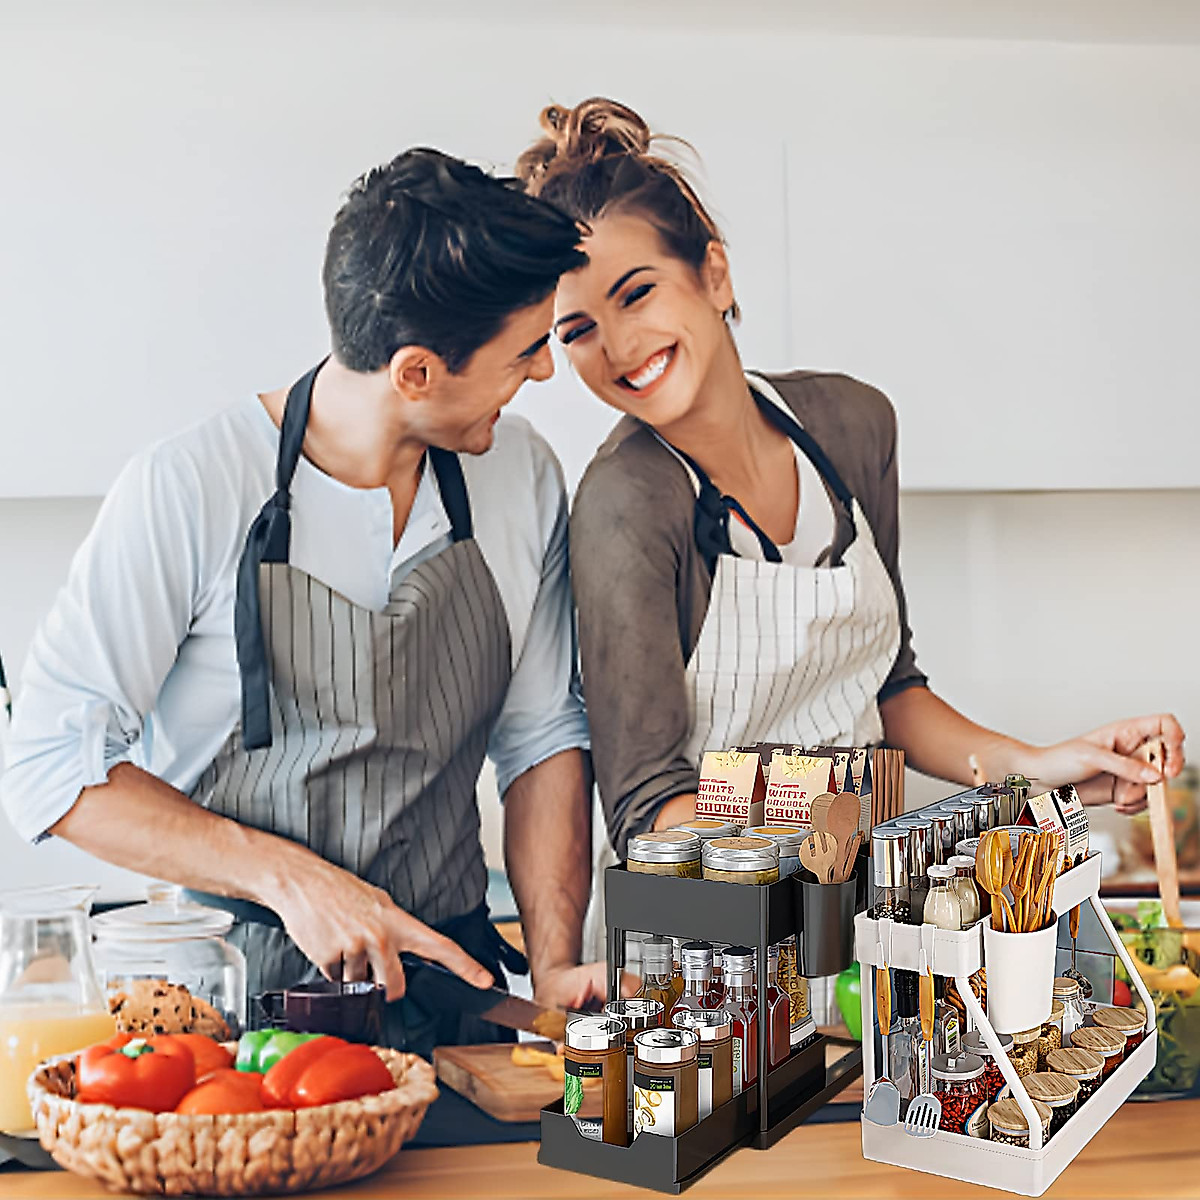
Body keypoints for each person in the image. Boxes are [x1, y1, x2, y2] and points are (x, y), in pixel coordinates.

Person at [0, 148, 609, 1054]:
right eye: (525, 352)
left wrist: (555, 965)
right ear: (415, 373)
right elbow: (50, 767)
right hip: (234, 1021)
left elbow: (543, 737)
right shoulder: (191, 487)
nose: (546, 372)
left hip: (454, 1008)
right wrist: (292, 880)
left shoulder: (520, 475)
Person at [516, 99, 1185, 862]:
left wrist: (1041, 768)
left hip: (853, 886)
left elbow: (890, 690)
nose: (618, 346)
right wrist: (838, 824)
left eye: (637, 293)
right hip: (705, 922)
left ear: (714, 275)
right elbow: (646, 807)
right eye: (578, 331)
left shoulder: (853, 426)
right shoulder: (625, 504)